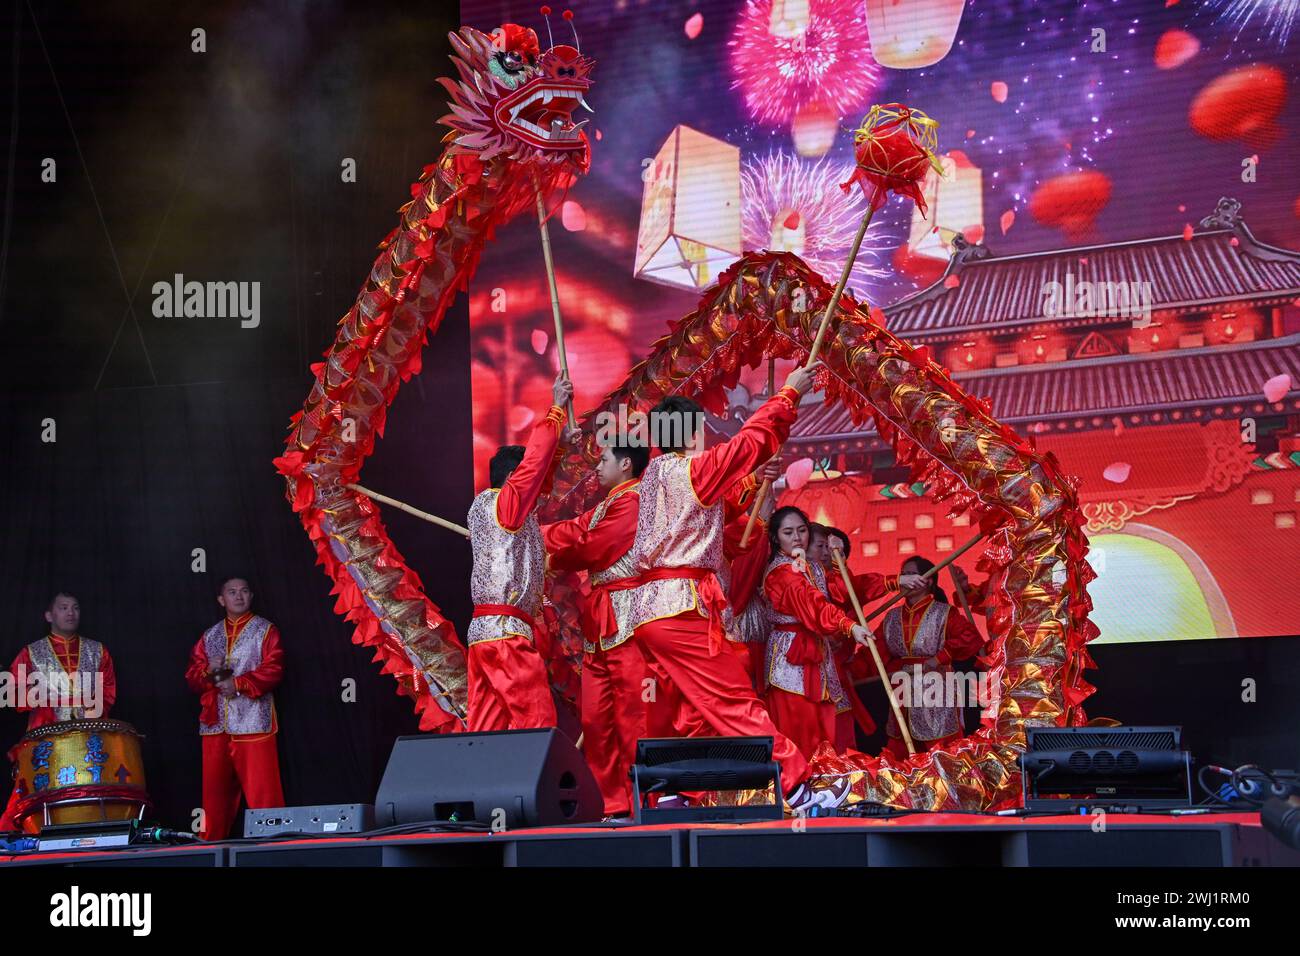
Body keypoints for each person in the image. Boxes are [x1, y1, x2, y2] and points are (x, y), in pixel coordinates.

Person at [623, 362, 867, 812]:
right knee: (735, 699)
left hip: (652, 611)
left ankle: (678, 791)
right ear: (691, 430)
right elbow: (746, 444)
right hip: (681, 607)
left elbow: (714, 507)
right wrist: (788, 396)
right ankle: (797, 786)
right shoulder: (690, 471)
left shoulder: (655, 477)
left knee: (693, 705)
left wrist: (755, 480)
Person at [542, 438, 649, 819]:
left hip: (628, 612)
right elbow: (573, 529)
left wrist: (552, 557)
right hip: (601, 617)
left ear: (625, 464)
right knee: (596, 716)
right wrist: (526, 538)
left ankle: (643, 798)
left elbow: (593, 546)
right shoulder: (608, 504)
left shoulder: (634, 500)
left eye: (604, 460)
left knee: (632, 712)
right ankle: (612, 802)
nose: (597, 466)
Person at [467, 371, 577, 732]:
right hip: (505, 635)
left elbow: (538, 472)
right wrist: (556, 411)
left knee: (488, 731)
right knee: (536, 723)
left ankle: (479, 788)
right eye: (530, 482)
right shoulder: (505, 505)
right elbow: (533, 468)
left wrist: (563, 446)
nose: (539, 490)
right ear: (514, 478)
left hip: (485, 636)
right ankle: (535, 790)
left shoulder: (502, 512)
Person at [1, 592, 118, 831]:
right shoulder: (31, 653)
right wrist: (39, 693)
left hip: (89, 737)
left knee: (93, 790)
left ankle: (92, 836)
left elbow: (108, 691)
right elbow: (13, 694)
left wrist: (93, 709)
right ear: (48, 615)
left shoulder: (98, 651)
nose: (70, 613)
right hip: (46, 737)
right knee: (31, 794)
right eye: (63, 608)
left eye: (75, 607)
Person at [185, 576, 285, 841]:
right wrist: (208, 670)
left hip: (253, 722)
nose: (238, 596)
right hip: (215, 725)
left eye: (243, 591)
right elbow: (192, 677)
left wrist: (239, 683)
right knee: (214, 798)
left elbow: (274, 669)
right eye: (232, 592)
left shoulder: (265, 630)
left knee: (264, 794)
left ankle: (273, 847)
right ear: (221, 599)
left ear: (251, 596)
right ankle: (209, 849)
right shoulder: (210, 636)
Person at [760, 508, 860, 760]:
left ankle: (823, 783)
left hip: (817, 653)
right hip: (791, 657)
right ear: (775, 538)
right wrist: (848, 626)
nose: (797, 537)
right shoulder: (782, 572)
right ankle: (798, 789)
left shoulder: (811, 567)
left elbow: (841, 593)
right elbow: (812, 605)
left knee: (823, 726)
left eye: (802, 530)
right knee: (799, 730)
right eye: (788, 532)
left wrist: (838, 561)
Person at [870, 556, 985, 759]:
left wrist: (939, 658)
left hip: (936, 688)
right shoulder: (891, 617)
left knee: (943, 751)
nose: (905, 579)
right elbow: (875, 651)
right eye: (902, 574)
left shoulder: (944, 612)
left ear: (929, 580)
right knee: (900, 753)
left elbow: (971, 638)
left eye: (911, 574)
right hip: (903, 688)